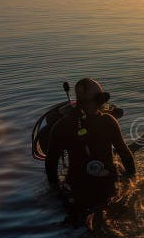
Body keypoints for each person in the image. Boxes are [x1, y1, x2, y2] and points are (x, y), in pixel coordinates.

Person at [45, 77, 136, 212]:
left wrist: (57, 193)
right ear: (99, 100)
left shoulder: (61, 126)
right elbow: (125, 155)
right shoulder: (108, 122)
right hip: (108, 185)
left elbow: (50, 164)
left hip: (76, 189)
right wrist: (133, 182)